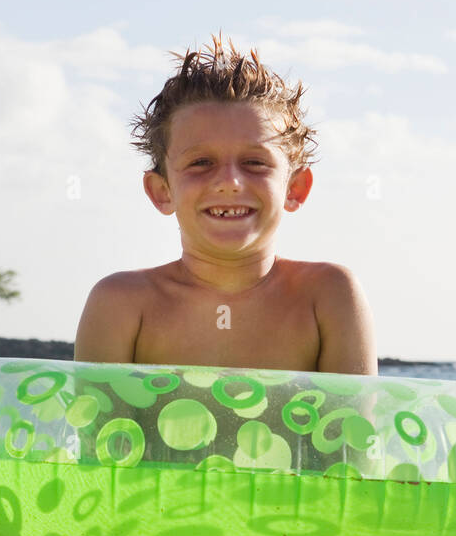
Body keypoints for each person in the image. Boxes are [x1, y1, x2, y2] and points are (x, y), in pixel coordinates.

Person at [74, 33, 376, 375]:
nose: (230, 182)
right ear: (162, 191)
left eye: (255, 162)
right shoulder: (121, 305)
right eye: (201, 162)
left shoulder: (329, 297)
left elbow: (354, 427)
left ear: (295, 187)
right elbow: (100, 429)